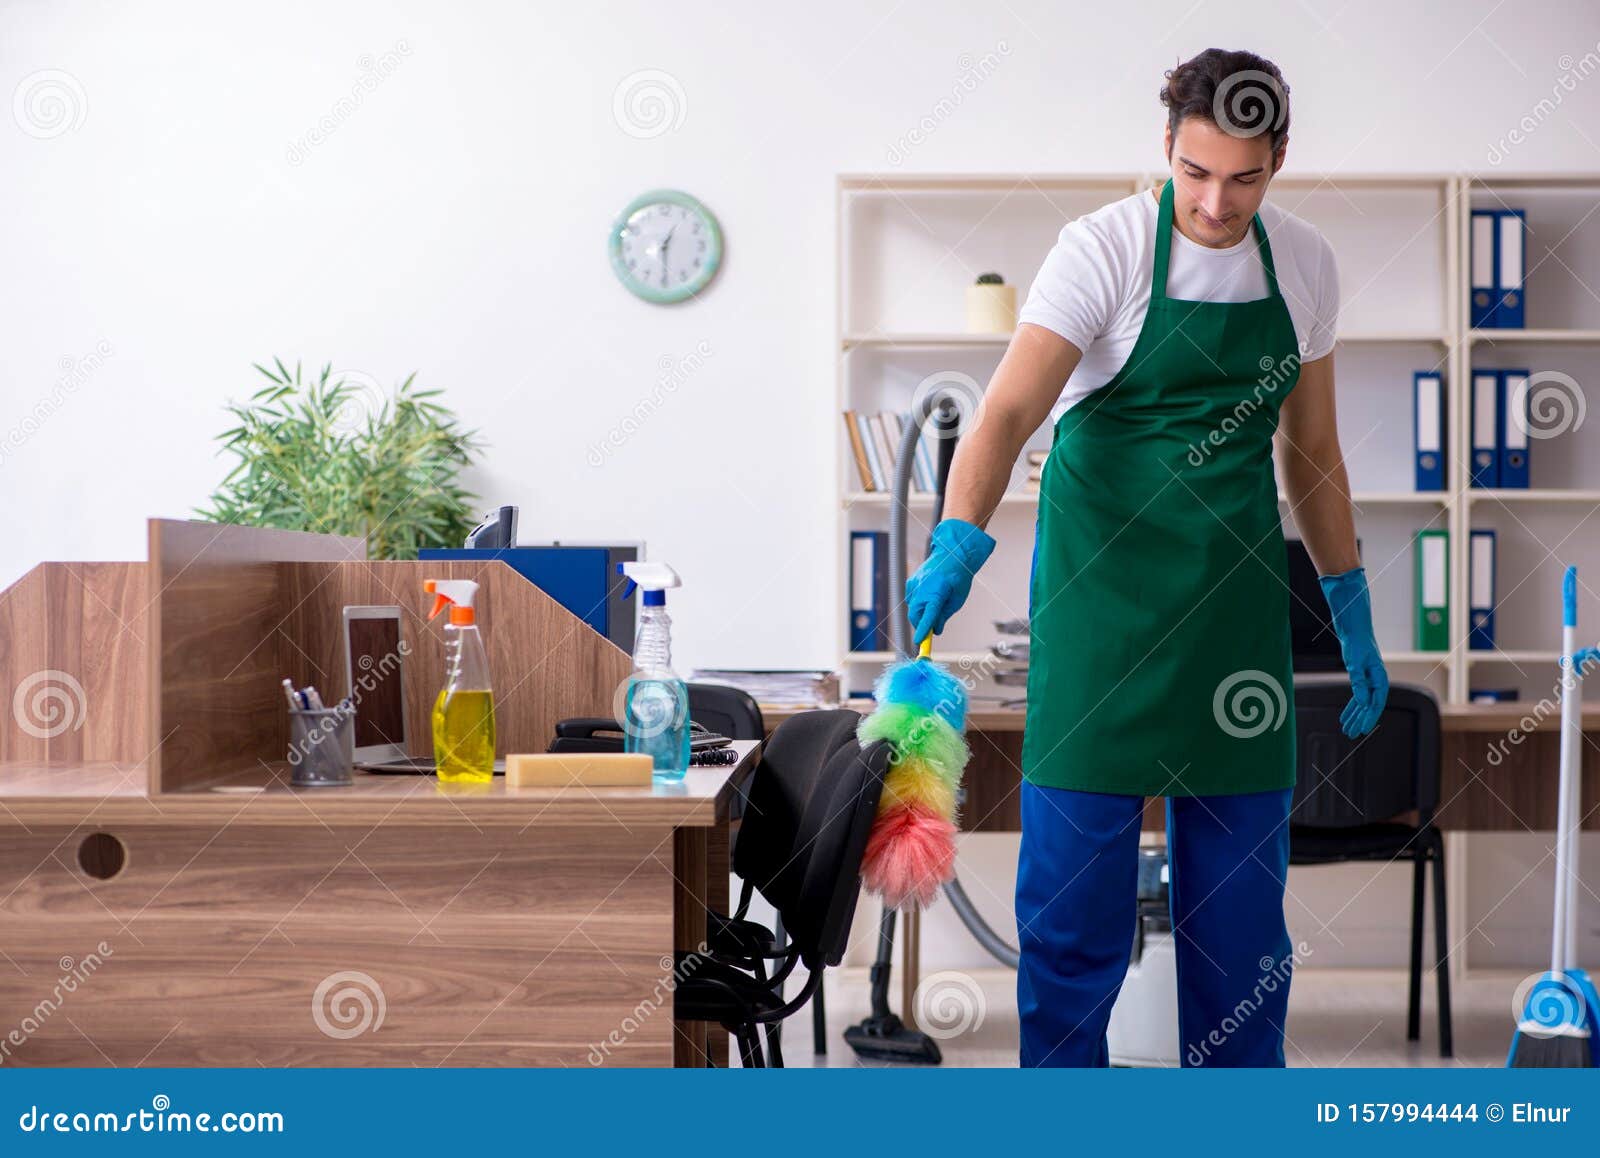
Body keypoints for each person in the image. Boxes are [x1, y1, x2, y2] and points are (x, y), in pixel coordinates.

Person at [903, 48, 1388, 1068]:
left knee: (1242, 937)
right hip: (1099, 624)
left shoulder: (1302, 264)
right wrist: (959, 534)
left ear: (1279, 160)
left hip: (1232, 627)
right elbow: (1003, 414)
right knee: (1072, 927)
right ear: (1165, 149)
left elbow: (1312, 452)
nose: (1214, 202)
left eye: (1243, 177)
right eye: (1195, 171)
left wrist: (1348, 601)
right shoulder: (1104, 249)